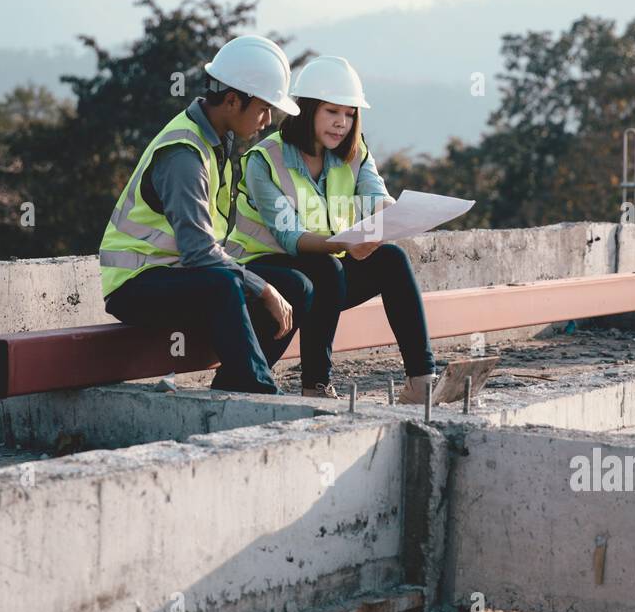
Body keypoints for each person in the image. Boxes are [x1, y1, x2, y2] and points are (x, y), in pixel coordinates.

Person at [98, 35, 315, 394]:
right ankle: (259, 391)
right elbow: (199, 252)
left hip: (181, 276)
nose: (266, 121)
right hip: (137, 285)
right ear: (232, 101)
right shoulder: (185, 154)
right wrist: (261, 288)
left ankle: (234, 388)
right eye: (263, 109)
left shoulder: (215, 140)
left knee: (297, 287)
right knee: (226, 284)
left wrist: (267, 288)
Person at [225, 55, 437, 402]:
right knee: (326, 268)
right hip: (260, 271)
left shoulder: (354, 153)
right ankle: (317, 386)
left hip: (323, 272)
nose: (342, 123)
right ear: (307, 109)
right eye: (332, 112)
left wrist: (401, 218)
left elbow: (377, 199)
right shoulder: (265, 160)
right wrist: (347, 244)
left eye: (349, 114)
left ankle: (421, 380)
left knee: (391, 260)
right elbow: (290, 238)